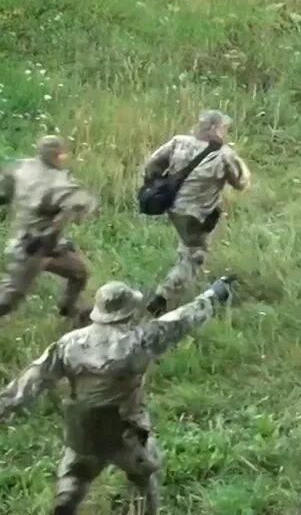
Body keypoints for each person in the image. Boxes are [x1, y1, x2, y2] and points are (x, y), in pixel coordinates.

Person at [0, 276, 237, 515]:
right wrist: (212, 296)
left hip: (82, 429)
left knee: (75, 472)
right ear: (128, 311)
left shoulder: (69, 343)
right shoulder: (138, 341)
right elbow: (180, 320)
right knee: (144, 476)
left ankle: (67, 499)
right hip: (124, 430)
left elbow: (33, 378)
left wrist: (4, 405)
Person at [141, 109, 250, 315]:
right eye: (223, 128)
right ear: (214, 129)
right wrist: (238, 161)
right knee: (195, 256)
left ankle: (177, 273)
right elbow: (240, 183)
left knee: (188, 246)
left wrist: (155, 185)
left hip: (173, 207)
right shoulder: (223, 155)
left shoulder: (178, 142)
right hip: (197, 214)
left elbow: (151, 165)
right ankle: (162, 297)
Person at [0, 135, 97, 320]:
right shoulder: (56, 182)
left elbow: (3, 192)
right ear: (57, 156)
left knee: (78, 272)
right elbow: (81, 201)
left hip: (44, 244)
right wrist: (84, 206)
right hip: (30, 250)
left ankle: (69, 310)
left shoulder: (22, 167)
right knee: (8, 299)